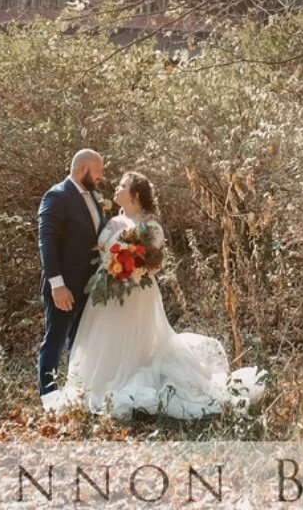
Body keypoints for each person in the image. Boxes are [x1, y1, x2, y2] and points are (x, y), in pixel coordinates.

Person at [45, 170, 265, 420]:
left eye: (122, 185)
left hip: (137, 293)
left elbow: (154, 264)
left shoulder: (150, 226)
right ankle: (101, 385)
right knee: (107, 337)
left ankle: (133, 381)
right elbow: (101, 251)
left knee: (135, 337)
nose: (116, 188)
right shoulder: (113, 222)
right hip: (107, 292)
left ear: (135, 195)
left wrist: (132, 266)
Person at [37, 148, 106, 402]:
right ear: (82, 169)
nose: (100, 176)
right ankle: (50, 399)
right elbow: (47, 241)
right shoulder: (56, 196)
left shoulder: (95, 197)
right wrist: (57, 285)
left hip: (89, 285)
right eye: (97, 171)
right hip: (64, 287)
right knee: (54, 342)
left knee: (80, 341)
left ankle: (75, 395)